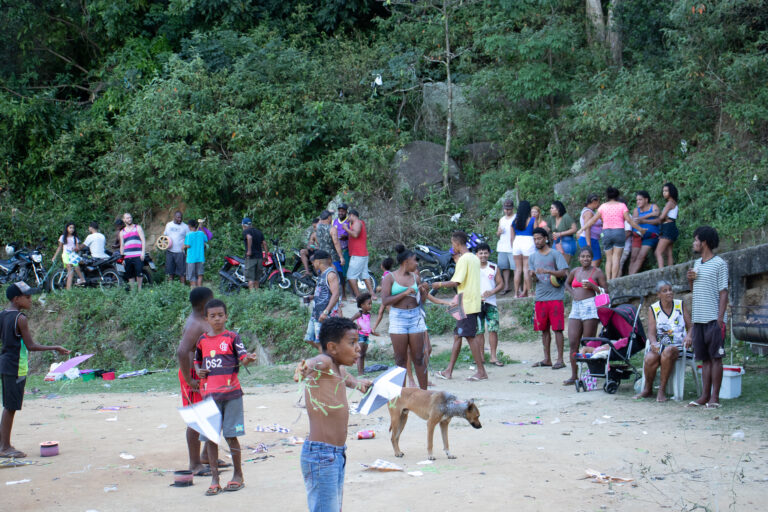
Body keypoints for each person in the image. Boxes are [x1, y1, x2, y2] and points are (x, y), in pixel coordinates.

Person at [298, 317, 371, 512]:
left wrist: (360, 384)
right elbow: (315, 362)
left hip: (336, 454)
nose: (358, 348)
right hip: (321, 455)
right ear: (332, 347)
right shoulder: (326, 362)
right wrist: (305, 367)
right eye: (352, 342)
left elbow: (349, 379)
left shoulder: (338, 369)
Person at [194, 299, 258, 495]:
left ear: (226, 316)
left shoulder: (232, 337)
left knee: (231, 437)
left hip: (232, 395)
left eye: (220, 315)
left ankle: (238, 475)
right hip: (209, 396)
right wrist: (199, 370)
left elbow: (243, 357)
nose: (217, 319)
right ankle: (215, 479)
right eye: (212, 316)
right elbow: (197, 361)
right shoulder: (202, 341)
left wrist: (249, 359)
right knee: (211, 439)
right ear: (206, 319)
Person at [1, 282, 69, 458]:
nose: (31, 300)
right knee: (10, 407)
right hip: (16, 366)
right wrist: (55, 347)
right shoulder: (20, 318)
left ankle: (3, 444)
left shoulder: (2, 315)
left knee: (9, 406)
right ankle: (5, 447)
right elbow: (30, 346)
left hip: (6, 364)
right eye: (28, 297)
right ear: (17, 299)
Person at [433, 231, 488, 381]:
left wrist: (437, 284)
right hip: (469, 301)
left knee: (469, 336)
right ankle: (448, 371)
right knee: (458, 335)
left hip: (466, 303)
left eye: (453, 244)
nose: (453, 247)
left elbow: (456, 282)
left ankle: (481, 371)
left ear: (457, 244)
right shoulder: (474, 258)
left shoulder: (464, 260)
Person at [685, 226, 728, 409]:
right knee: (704, 359)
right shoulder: (697, 264)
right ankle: (704, 396)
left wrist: (720, 317)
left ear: (704, 242)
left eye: (696, 240)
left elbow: (723, 292)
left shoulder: (720, 264)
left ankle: (715, 398)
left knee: (715, 358)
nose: (694, 243)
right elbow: (695, 291)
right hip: (699, 319)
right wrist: (690, 280)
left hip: (713, 318)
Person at [176, 287, 215, 476]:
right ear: (203, 304)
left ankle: (207, 454)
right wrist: (189, 379)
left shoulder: (201, 320)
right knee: (196, 419)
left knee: (212, 414)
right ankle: (194, 464)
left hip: (203, 375)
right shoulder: (195, 324)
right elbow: (182, 351)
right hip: (192, 375)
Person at [380, 246, 430, 388]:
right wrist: (404, 293)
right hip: (398, 317)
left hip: (415, 316)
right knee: (400, 360)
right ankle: (401, 394)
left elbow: (421, 301)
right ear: (406, 262)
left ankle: (424, 393)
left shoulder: (416, 277)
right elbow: (385, 301)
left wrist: (424, 291)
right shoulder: (390, 277)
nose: (417, 264)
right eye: (415, 261)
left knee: (419, 357)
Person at [634, 280, 692, 402]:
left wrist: (689, 336)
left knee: (668, 351)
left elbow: (691, 327)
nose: (669, 293)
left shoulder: (680, 305)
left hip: (680, 346)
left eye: (670, 290)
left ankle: (661, 390)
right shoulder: (653, 309)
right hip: (661, 345)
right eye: (665, 291)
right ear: (658, 294)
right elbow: (651, 332)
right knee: (650, 357)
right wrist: (654, 343)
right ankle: (647, 389)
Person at [578, 188, 646, 280]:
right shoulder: (622, 206)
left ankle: (609, 279)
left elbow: (592, 220)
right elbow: (629, 220)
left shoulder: (603, 206)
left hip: (606, 233)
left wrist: (581, 229)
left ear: (607, 196)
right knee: (616, 258)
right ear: (617, 196)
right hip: (619, 232)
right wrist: (640, 229)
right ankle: (614, 279)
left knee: (609, 259)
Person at [563, 247, 607, 385]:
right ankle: (574, 375)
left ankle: (589, 375)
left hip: (590, 306)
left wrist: (593, 286)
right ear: (579, 258)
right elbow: (566, 283)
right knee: (573, 342)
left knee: (588, 342)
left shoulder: (597, 272)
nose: (585, 259)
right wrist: (573, 292)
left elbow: (606, 290)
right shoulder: (575, 271)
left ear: (592, 258)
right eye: (583, 256)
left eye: (588, 256)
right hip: (576, 307)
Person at [528, 228, 569, 369]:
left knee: (558, 329)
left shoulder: (555, 254)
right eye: (534, 239)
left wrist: (548, 271)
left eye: (539, 238)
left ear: (546, 238)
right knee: (544, 330)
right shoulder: (532, 257)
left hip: (555, 297)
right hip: (540, 297)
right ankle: (547, 359)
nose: (537, 241)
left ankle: (560, 359)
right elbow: (534, 279)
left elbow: (564, 272)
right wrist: (532, 276)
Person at [304, 250, 342, 351]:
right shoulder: (322, 274)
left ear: (318, 262)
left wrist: (326, 312)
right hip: (316, 313)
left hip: (325, 314)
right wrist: (311, 297)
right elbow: (322, 291)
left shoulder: (331, 274)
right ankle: (327, 357)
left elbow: (336, 294)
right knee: (309, 338)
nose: (312, 264)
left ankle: (328, 360)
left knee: (322, 341)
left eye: (313, 262)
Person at [476, 243, 504, 366]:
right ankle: (481, 357)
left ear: (489, 253)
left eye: (485, 253)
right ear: (476, 254)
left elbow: (500, 283)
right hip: (476, 303)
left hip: (491, 302)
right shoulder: (472, 267)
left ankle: (493, 356)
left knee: (493, 330)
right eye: (480, 253)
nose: (483, 255)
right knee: (479, 331)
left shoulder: (493, 267)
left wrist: (492, 291)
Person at [339, 209, 375, 300]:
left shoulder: (358, 223)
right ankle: (373, 295)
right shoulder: (357, 223)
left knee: (351, 276)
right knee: (365, 275)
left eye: (348, 216)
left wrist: (346, 228)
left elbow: (355, 235)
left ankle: (358, 296)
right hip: (361, 254)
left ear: (351, 215)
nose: (347, 218)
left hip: (358, 254)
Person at [628, 190, 661, 275]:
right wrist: (649, 217)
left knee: (641, 256)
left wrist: (643, 219)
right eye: (637, 200)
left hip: (650, 235)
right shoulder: (636, 210)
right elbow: (635, 221)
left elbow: (657, 216)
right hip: (637, 235)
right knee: (633, 257)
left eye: (640, 199)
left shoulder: (653, 206)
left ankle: (631, 277)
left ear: (646, 200)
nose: (638, 202)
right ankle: (629, 278)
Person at [510, 200, 535, 298]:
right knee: (526, 269)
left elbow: (511, 238)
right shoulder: (532, 220)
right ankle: (530, 292)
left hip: (517, 242)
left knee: (518, 269)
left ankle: (516, 293)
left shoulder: (514, 221)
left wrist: (513, 248)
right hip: (528, 242)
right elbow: (536, 233)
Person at [51, 221, 86, 289]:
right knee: (70, 271)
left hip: (73, 255)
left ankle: (81, 279)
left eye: (73, 228)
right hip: (66, 255)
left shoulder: (75, 238)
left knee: (76, 267)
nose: (72, 229)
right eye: (70, 227)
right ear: (67, 228)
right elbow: (60, 247)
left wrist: (76, 249)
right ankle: (68, 289)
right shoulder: (63, 237)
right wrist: (54, 257)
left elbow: (77, 248)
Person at [351, 293, 379, 376]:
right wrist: (356, 326)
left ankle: (362, 371)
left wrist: (373, 332)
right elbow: (350, 320)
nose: (370, 306)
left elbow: (367, 326)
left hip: (366, 336)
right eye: (369, 304)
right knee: (360, 354)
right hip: (360, 336)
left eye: (371, 304)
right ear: (362, 305)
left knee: (363, 354)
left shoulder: (368, 314)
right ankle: (360, 373)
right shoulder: (359, 314)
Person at [119, 213, 147, 291]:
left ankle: (139, 290)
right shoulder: (122, 232)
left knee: (139, 272)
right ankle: (133, 290)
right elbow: (122, 246)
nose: (129, 219)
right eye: (127, 218)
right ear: (124, 220)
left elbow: (143, 240)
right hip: (127, 256)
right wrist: (122, 259)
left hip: (138, 254)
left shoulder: (138, 227)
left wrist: (143, 253)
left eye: (130, 217)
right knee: (129, 274)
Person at [655, 183, 680, 269]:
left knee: (658, 252)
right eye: (663, 191)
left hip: (667, 228)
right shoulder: (674, 203)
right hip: (671, 227)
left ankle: (661, 271)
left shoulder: (669, 203)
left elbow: (661, 217)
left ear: (671, 192)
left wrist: (660, 216)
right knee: (669, 253)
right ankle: (670, 271)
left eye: (666, 191)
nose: (664, 193)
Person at [577, 194, 603, 269]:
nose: (599, 204)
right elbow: (587, 228)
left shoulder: (590, 211)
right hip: (588, 239)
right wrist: (589, 244)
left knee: (595, 261)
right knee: (594, 262)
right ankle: (589, 278)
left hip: (592, 239)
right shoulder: (588, 212)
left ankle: (590, 278)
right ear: (593, 201)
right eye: (598, 202)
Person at [495, 200, 516, 295]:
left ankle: (517, 287)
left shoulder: (516, 218)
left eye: (509, 209)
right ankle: (506, 286)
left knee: (515, 268)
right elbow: (498, 233)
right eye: (505, 209)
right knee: (504, 267)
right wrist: (498, 233)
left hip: (513, 246)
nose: (507, 211)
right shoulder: (502, 219)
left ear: (512, 208)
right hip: (502, 246)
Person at [163, 211, 189, 284]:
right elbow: (164, 236)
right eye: (178, 217)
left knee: (182, 272)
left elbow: (189, 238)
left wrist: (185, 246)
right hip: (169, 252)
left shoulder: (185, 227)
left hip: (180, 253)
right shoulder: (168, 225)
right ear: (174, 217)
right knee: (169, 272)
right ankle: (170, 288)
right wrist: (164, 245)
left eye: (181, 217)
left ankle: (182, 288)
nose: (180, 219)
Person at [548, 201, 578, 265]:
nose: (550, 210)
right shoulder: (552, 218)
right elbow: (548, 229)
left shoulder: (566, 217)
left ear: (558, 209)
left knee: (564, 267)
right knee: (556, 266)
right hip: (556, 243)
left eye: (552, 208)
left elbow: (574, 229)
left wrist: (560, 234)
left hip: (567, 242)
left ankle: (567, 275)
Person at [242, 217, 267, 291]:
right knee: (257, 279)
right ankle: (257, 295)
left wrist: (249, 251)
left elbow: (249, 238)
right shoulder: (259, 232)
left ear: (244, 225)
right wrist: (266, 255)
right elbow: (264, 243)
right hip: (259, 257)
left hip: (251, 258)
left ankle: (252, 296)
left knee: (250, 279)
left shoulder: (246, 231)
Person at [333, 204, 351, 300]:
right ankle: (341, 293)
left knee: (345, 273)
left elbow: (353, 234)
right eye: (339, 210)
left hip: (345, 250)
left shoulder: (349, 221)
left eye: (343, 211)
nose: (341, 212)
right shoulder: (334, 221)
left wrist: (346, 236)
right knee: (338, 273)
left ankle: (346, 293)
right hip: (336, 251)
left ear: (346, 211)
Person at [183, 219, 207, 287]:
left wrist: (184, 246)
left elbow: (188, 245)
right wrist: (201, 227)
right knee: (200, 275)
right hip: (200, 258)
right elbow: (206, 238)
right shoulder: (201, 233)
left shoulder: (189, 235)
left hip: (191, 259)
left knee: (192, 276)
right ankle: (200, 291)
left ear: (189, 226)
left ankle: (194, 292)